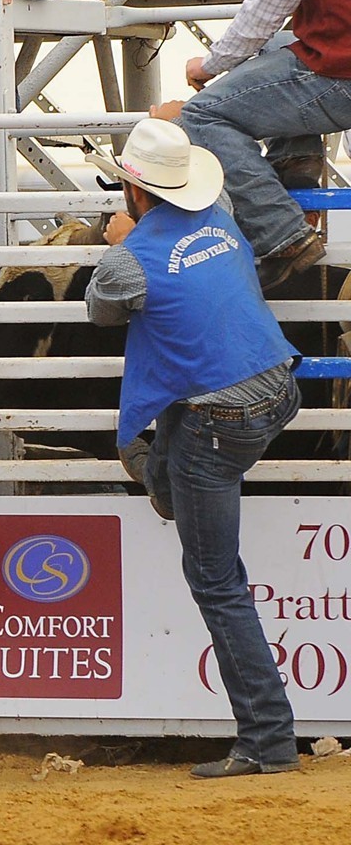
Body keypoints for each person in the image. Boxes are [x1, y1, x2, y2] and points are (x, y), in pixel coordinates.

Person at [85, 117, 301, 780]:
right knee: (179, 462)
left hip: (219, 421)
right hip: (277, 388)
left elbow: (101, 310)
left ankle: (267, 736)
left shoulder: (129, 259)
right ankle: (164, 480)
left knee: (215, 581)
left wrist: (121, 243)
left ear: (134, 193)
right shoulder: (223, 207)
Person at [176, 0, 351, 292]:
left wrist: (210, 64)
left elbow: (262, 14)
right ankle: (295, 161)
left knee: (201, 117)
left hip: (339, 79)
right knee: (280, 46)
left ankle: (283, 235)